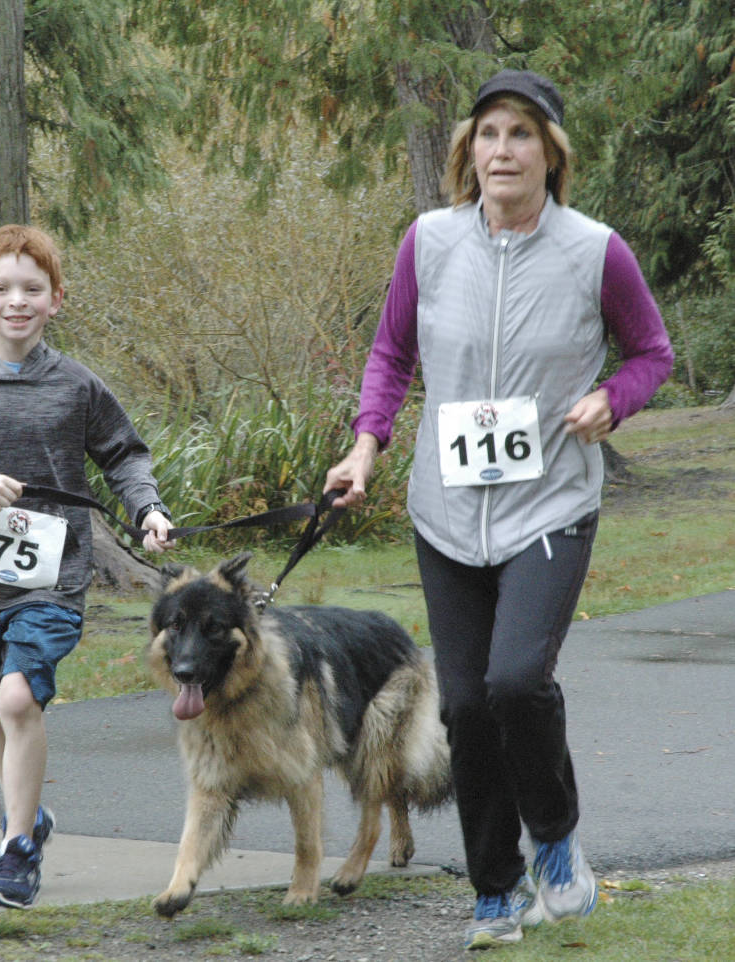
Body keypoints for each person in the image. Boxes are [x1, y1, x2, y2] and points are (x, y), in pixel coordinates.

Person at [324, 70, 673, 950]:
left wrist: (612, 400)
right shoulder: (430, 242)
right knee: (466, 708)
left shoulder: (596, 250)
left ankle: (554, 839)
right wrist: (366, 445)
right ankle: (494, 890)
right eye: (489, 135)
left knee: (517, 681)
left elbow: (652, 354)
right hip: (445, 513)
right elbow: (391, 353)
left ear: (550, 154)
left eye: (521, 135)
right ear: (467, 152)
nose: (503, 151)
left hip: (549, 505)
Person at [0, 224, 173, 909]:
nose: (16, 301)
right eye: (2, 289)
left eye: (32, 289)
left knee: (18, 699)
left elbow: (123, 454)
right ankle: (28, 818)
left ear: (56, 300)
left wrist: (149, 510)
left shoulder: (76, 385)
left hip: (53, 579)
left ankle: (16, 850)